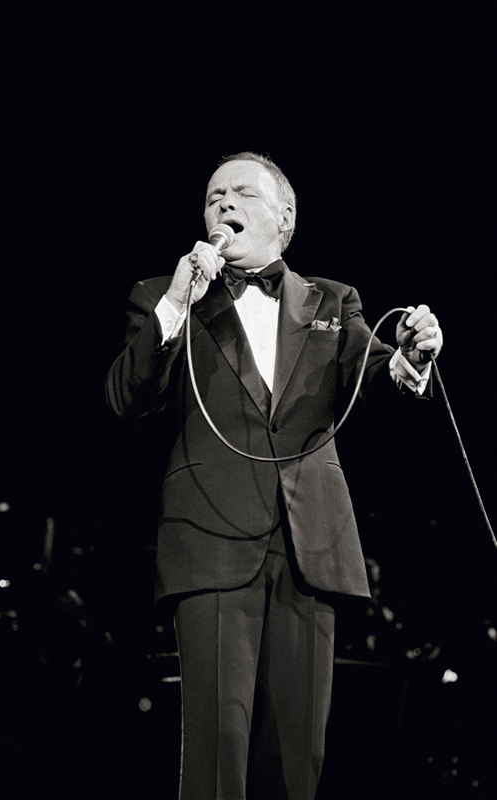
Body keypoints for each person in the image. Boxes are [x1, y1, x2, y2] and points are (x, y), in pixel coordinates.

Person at [105, 151, 443, 800]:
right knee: (216, 755)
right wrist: (178, 301)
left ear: (284, 217)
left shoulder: (333, 301)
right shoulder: (163, 297)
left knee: (296, 762)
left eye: (240, 193)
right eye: (211, 197)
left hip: (310, 550)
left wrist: (409, 361)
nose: (222, 204)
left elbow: (375, 376)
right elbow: (126, 398)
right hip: (210, 540)